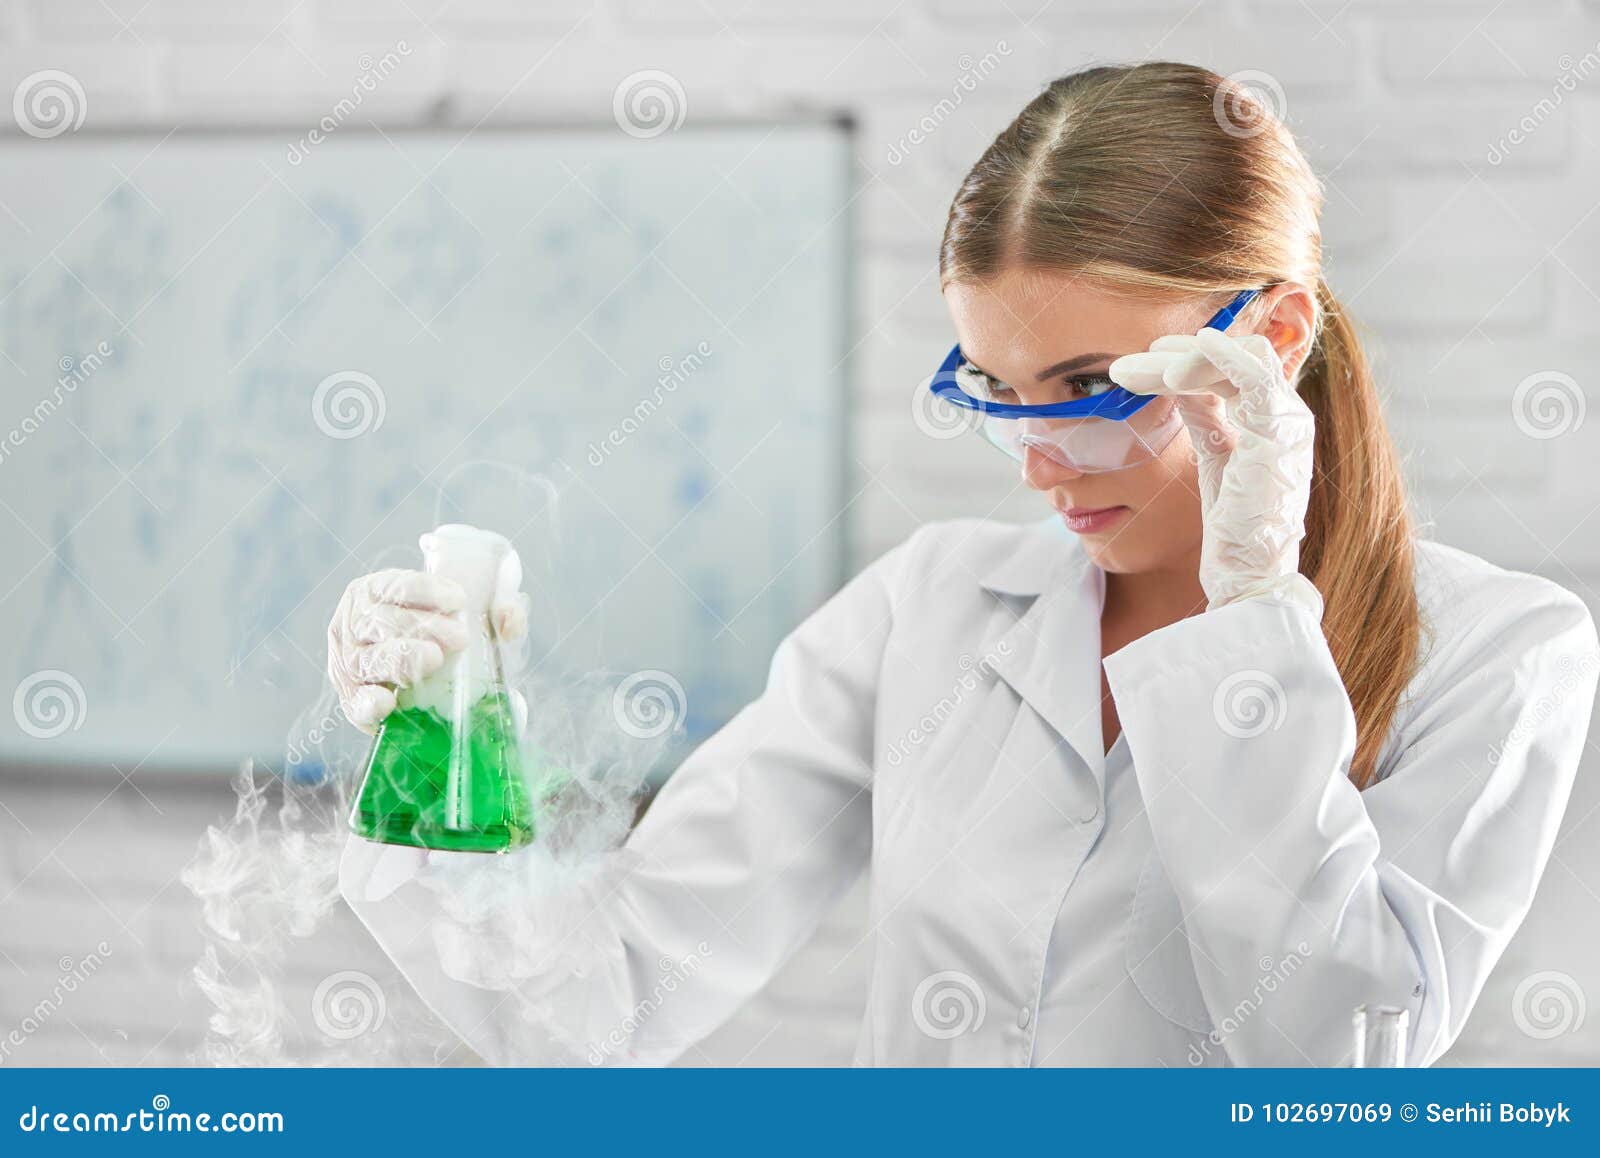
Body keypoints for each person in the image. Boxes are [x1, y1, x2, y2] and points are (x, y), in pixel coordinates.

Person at [329, 62, 1597, 1066]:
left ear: (1265, 336)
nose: (1037, 461)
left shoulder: (1498, 651)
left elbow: (1335, 1070)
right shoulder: (928, 607)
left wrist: (1255, 612)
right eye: (996, 391)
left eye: (1094, 388)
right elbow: (600, 1002)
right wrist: (439, 754)